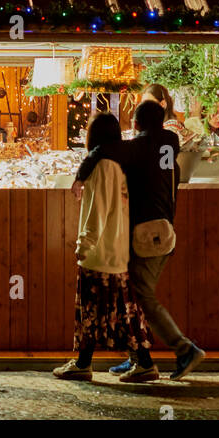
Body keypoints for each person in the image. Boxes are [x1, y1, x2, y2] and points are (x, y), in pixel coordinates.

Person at [72, 98, 205, 380]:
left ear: (137, 124)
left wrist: (80, 175)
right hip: (162, 232)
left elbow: (104, 149)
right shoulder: (166, 150)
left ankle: (183, 350)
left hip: (149, 235)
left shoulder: (143, 146)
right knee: (127, 296)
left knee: (139, 296)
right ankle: (137, 357)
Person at [53, 112, 156, 382]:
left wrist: (84, 243)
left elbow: (98, 209)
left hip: (100, 253)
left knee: (91, 310)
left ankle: (87, 364)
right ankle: (138, 362)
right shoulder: (118, 165)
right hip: (117, 251)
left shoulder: (102, 166)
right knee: (122, 311)